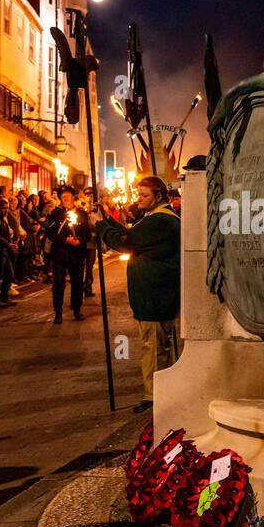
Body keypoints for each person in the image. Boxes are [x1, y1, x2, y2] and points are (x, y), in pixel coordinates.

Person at [90, 176, 180, 414]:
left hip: (155, 295)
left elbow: (126, 242)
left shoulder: (160, 221)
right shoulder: (154, 219)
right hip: (153, 294)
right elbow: (130, 234)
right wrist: (107, 219)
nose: (139, 200)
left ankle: (155, 395)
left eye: (144, 195)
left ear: (159, 196)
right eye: (138, 195)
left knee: (154, 347)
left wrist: (101, 226)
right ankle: (162, 391)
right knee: (156, 345)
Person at [44, 185, 91, 323]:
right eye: (62, 196)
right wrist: (65, 239)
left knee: (77, 283)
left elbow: (87, 233)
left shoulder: (81, 213)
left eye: (67, 195)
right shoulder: (56, 213)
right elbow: (51, 233)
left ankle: (77, 309)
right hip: (60, 253)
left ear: (72, 196)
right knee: (58, 284)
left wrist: (79, 241)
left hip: (77, 254)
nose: (65, 198)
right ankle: (58, 312)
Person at [0, 195, 19, 308]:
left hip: (4, 251)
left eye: (6, 208)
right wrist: (8, 244)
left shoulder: (2, 220)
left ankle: (4, 297)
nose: (5, 210)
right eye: (3, 208)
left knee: (9, 274)